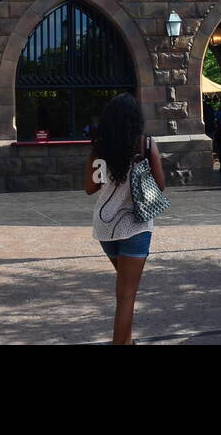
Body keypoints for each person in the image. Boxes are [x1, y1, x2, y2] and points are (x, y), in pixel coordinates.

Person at [85, 92, 165, 345]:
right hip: (135, 225)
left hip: (104, 225)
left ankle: (128, 341)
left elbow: (90, 187)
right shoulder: (147, 145)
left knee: (125, 289)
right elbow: (160, 186)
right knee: (127, 295)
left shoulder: (99, 147)